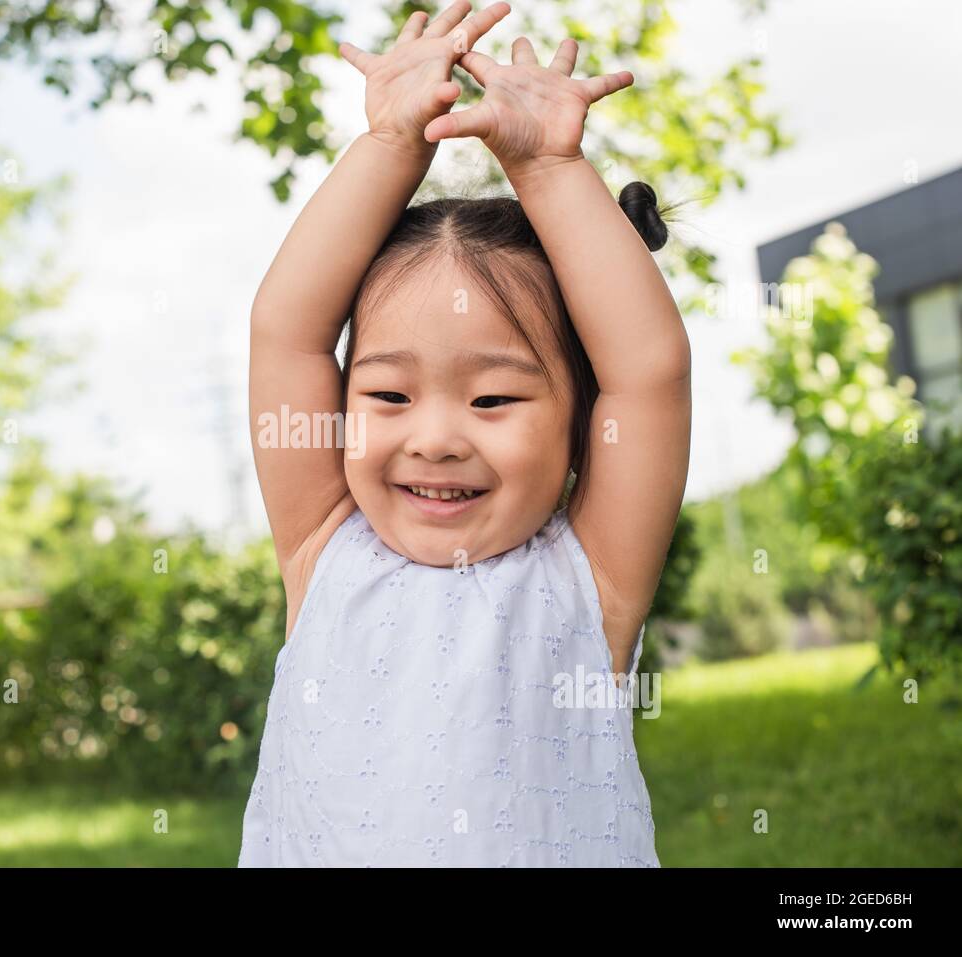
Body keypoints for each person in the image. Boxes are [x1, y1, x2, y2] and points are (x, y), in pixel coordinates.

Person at [238, 0, 690, 867]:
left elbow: (648, 371)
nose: (435, 437)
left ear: (580, 424)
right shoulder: (321, 549)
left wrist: (550, 167)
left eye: (492, 401)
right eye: (389, 394)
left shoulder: (591, 580)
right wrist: (389, 145)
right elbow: (286, 333)